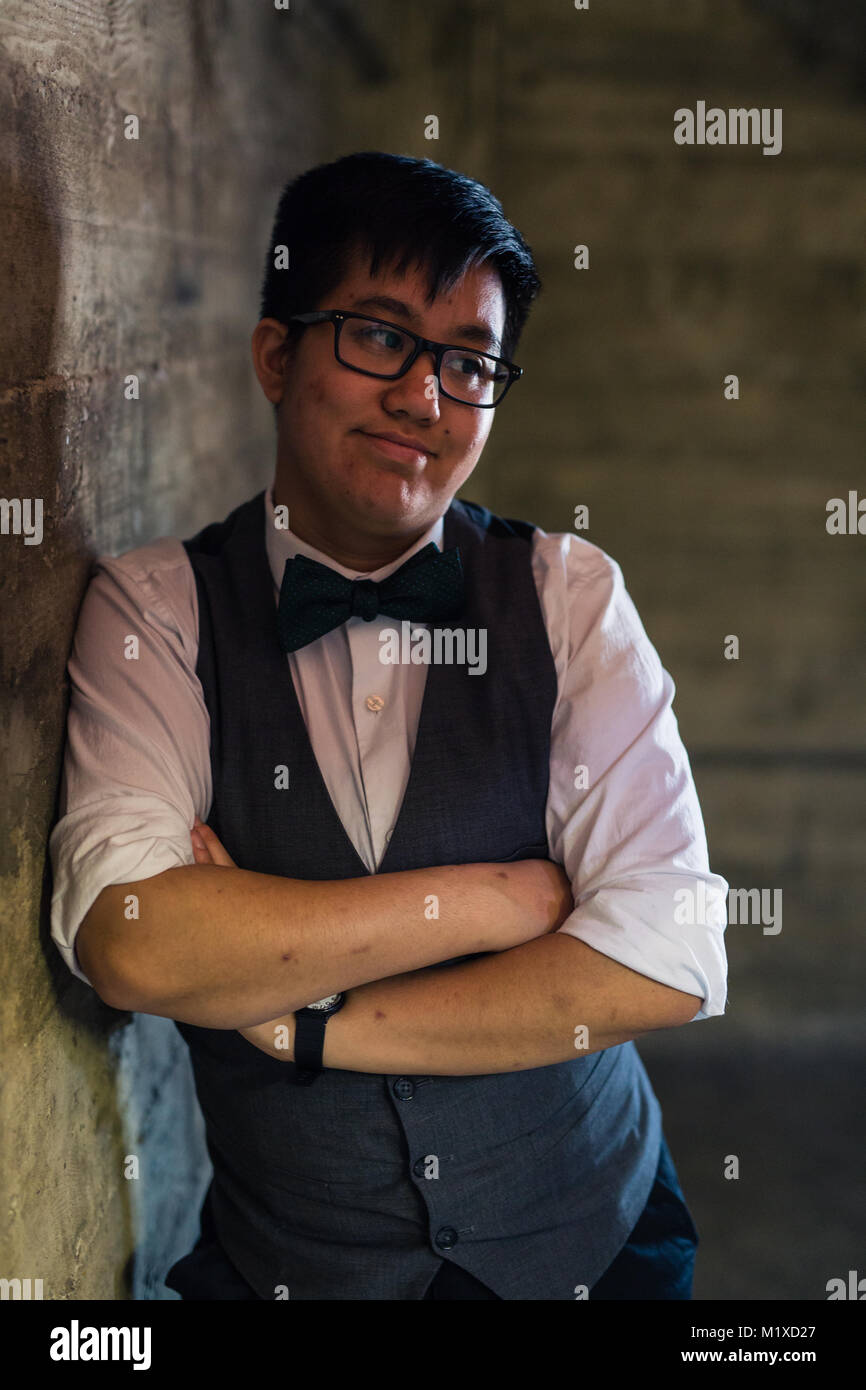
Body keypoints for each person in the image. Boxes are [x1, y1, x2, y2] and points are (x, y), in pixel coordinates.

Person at [49, 151, 728, 1301]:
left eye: (469, 363)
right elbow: (130, 938)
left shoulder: (567, 597)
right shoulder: (156, 612)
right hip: (291, 1264)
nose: (424, 397)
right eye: (380, 337)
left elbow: (662, 957)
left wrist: (302, 1026)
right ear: (278, 353)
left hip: (594, 1241)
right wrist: (496, 901)